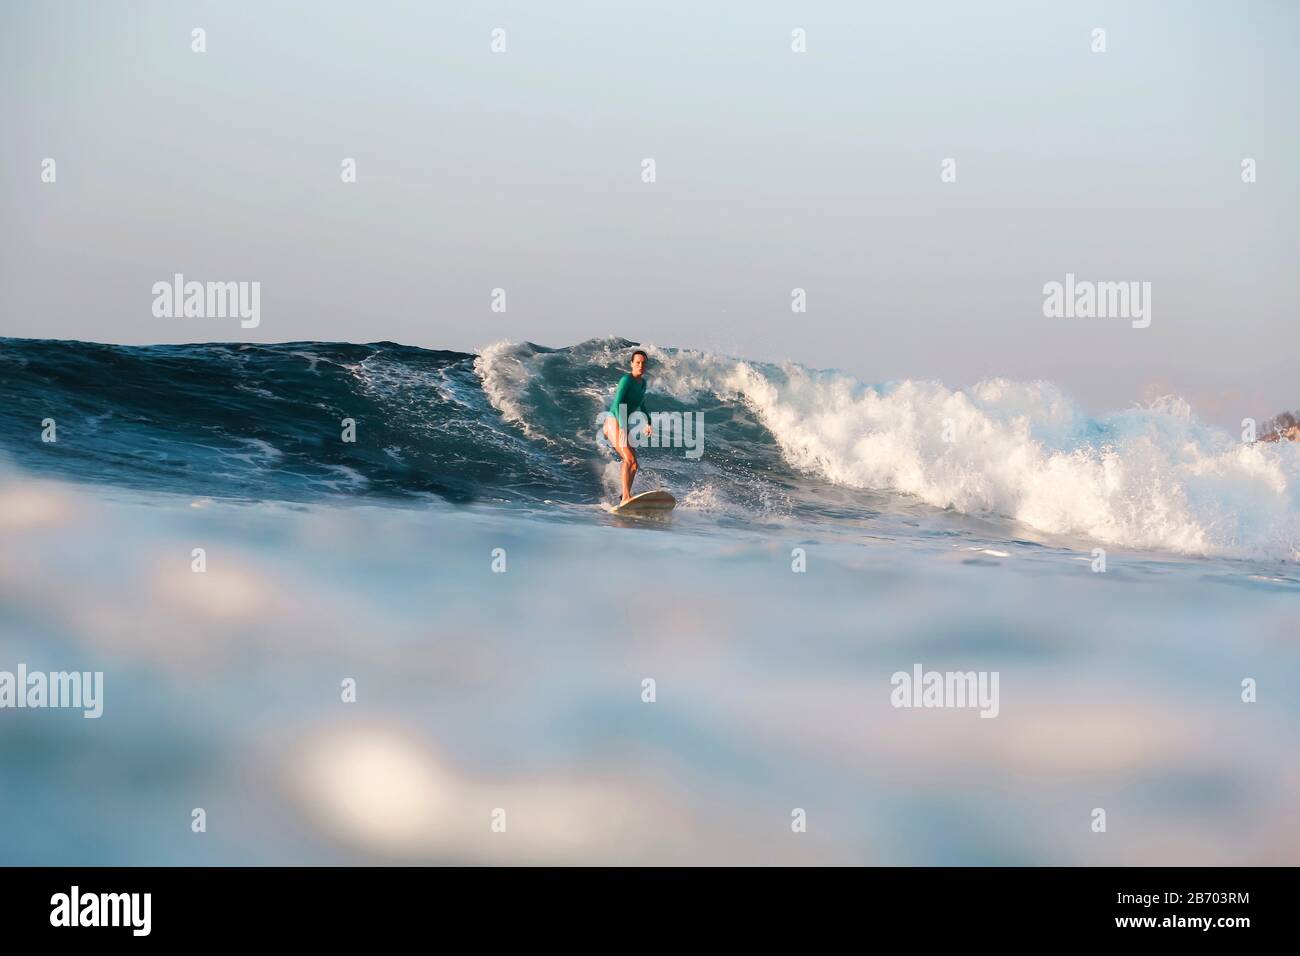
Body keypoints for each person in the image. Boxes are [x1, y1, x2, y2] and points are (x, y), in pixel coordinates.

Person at [603, 349, 653, 504]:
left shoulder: (643, 383)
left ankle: (624, 496)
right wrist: (623, 427)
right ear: (632, 364)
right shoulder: (626, 380)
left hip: (622, 423)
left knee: (634, 463)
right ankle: (625, 497)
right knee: (628, 458)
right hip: (614, 421)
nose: (640, 365)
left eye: (643, 363)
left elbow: (642, 404)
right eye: (637, 362)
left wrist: (648, 422)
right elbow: (617, 404)